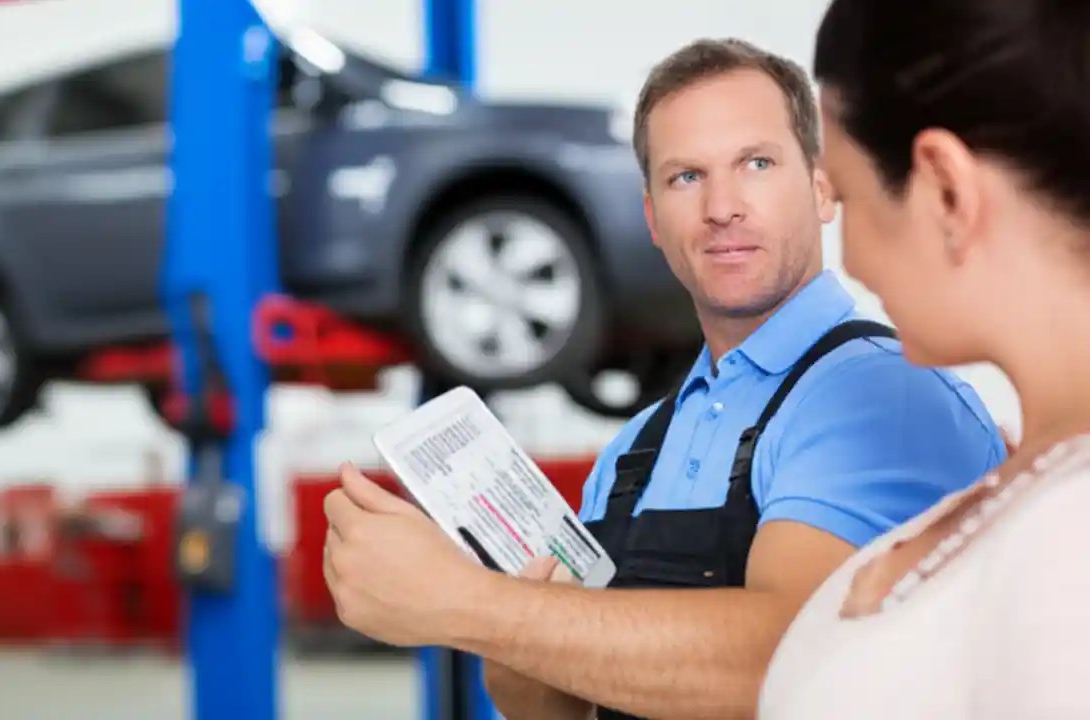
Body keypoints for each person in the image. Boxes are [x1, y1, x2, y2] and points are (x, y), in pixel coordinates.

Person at [322, 38, 1006, 719]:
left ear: (823, 187)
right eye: (686, 177)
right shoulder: (635, 452)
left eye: (756, 164)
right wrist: (492, 588)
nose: (721, 207)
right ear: (652, 217)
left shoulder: (885, 399)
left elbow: (786, 666)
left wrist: (461, 602)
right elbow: (549, 705)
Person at [758, 1, 1090, 717]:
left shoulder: (1073, 545)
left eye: (844, 197)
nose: (850, 260)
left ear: (944, 188)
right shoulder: (1038, 489)